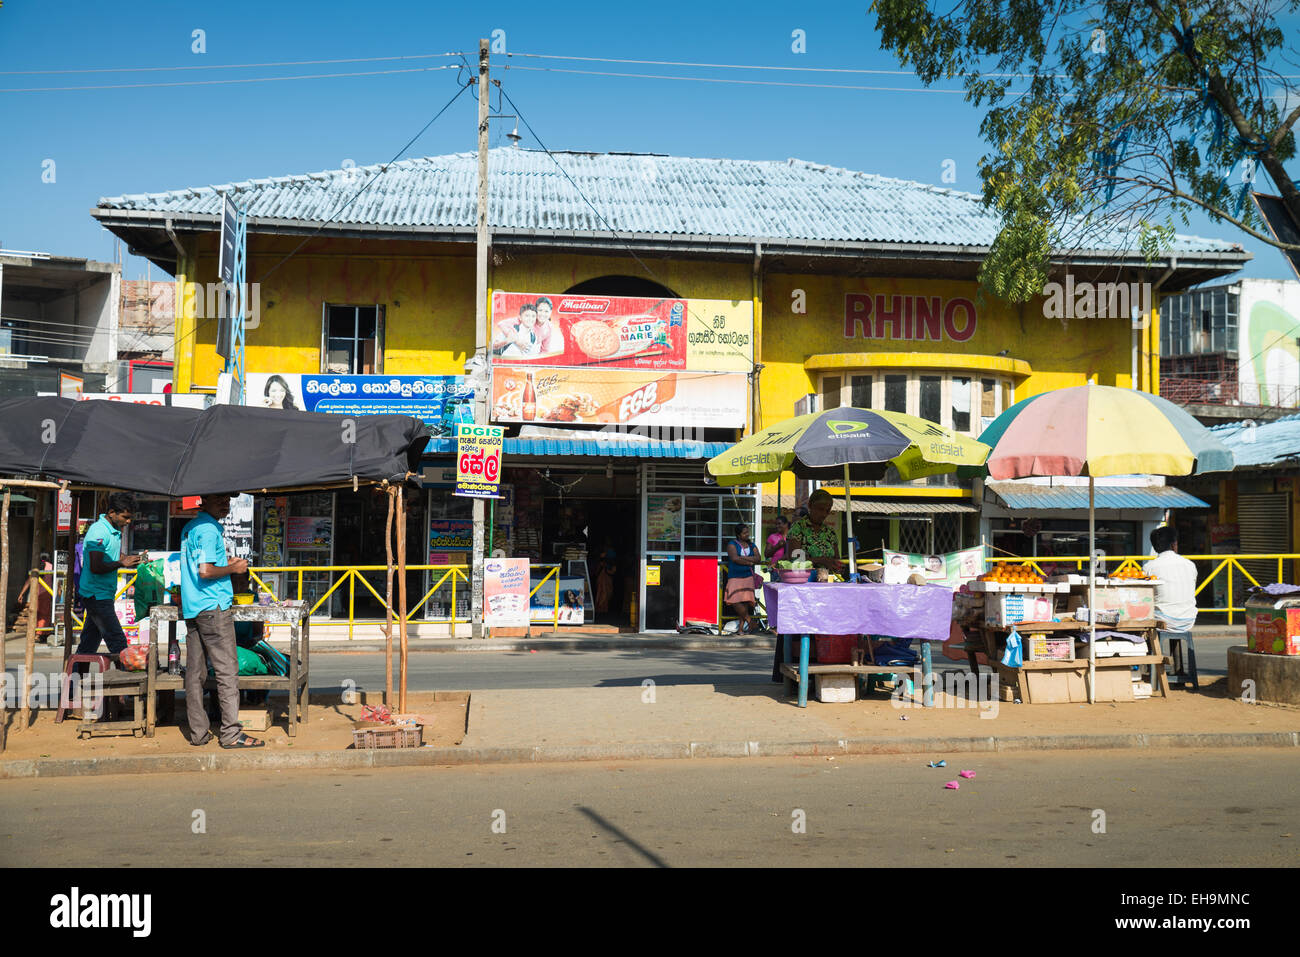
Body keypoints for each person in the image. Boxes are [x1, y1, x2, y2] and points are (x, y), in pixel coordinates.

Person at [180, 492, 262, 748]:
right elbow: (206, 571)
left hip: (194, 606)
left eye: (227, 500)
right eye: (219, 499)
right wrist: (234, 568)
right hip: (212, 606)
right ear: (204, 501)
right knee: (227, 671)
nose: (225, 504)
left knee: (195, 674)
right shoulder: (207, 530)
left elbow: (200, 565)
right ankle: (230, 734)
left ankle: (199, 733)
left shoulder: (192, 527)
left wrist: (225, 563)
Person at [773, 489, 843, 681]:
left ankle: (821, 671)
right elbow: (794, 558)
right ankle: (798, 674)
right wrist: (821, 560)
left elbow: (835, 559)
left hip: (825, 588)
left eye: (827, 510)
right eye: (820, 509)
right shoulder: (798, 529)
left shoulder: (830, 532)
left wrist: (837, 565)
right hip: (802, 586)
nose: (823, 513)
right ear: (810, 506)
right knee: (801, 632)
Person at [75, 493, 145, 659]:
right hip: (96, 595)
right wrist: (122, 563)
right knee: (118, 642)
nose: (128, 522)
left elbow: (111, 554)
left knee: (88, 645)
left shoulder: (114, 530)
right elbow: (96, 566)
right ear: (112, 512)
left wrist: (132, 560)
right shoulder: (99, 531)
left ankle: (73, 682)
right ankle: (128, 681)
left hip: (103, 595)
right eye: (125, 517)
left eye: (130, 518)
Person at [1143, 524, 1199, 688]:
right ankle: (1178, 670)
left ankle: (1150, 671)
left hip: (1165, 620)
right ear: (1174, 544)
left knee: (1144, 619)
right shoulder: (1190, 565)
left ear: (1155, 547)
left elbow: (1147, 596)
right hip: (1188, 619)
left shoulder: (1150, 567)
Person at [724, 525, 762, 633]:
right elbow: (734, 558)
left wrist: (744, 558)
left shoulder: (751, 544)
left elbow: (758, 558)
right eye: (744, 533)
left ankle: (741, 629)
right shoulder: (732, 544)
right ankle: (751, 622)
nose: (747, 534)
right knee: (734, 600)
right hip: (735, 576)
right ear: (738, 534)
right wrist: (750, 561)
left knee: (745, 602)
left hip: (748, 576)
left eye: (747, 532)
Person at [16, 552, 54, 634]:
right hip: (47, 593)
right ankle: (41, 633)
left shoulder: (36, 567)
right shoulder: (51, 566)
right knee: (45, 614)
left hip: (36, 593)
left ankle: (37, 632)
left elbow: (28, 581)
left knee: (36, 614)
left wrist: (21, 593)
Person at [594, 545, 617, 615]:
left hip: (607, 581)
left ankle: (603, 609)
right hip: (602, 581)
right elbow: (596, 572)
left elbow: (613, 572)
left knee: (606, 594)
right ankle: (600, 609)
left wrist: (606, 569)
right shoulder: (602, 564)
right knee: (601, 594)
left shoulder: (611, 564)